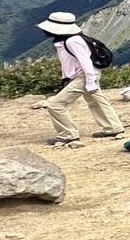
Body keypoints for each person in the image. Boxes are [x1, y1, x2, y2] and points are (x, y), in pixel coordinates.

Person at [37, 12, 124, 145]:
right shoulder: (71, 40)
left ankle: (68, 134)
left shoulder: (72, 41)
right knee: (96, 101)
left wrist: (89, 82)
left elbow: (86, 63)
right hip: (89, 75)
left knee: (55, 104)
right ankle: (113, 127)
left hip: (85, 76)